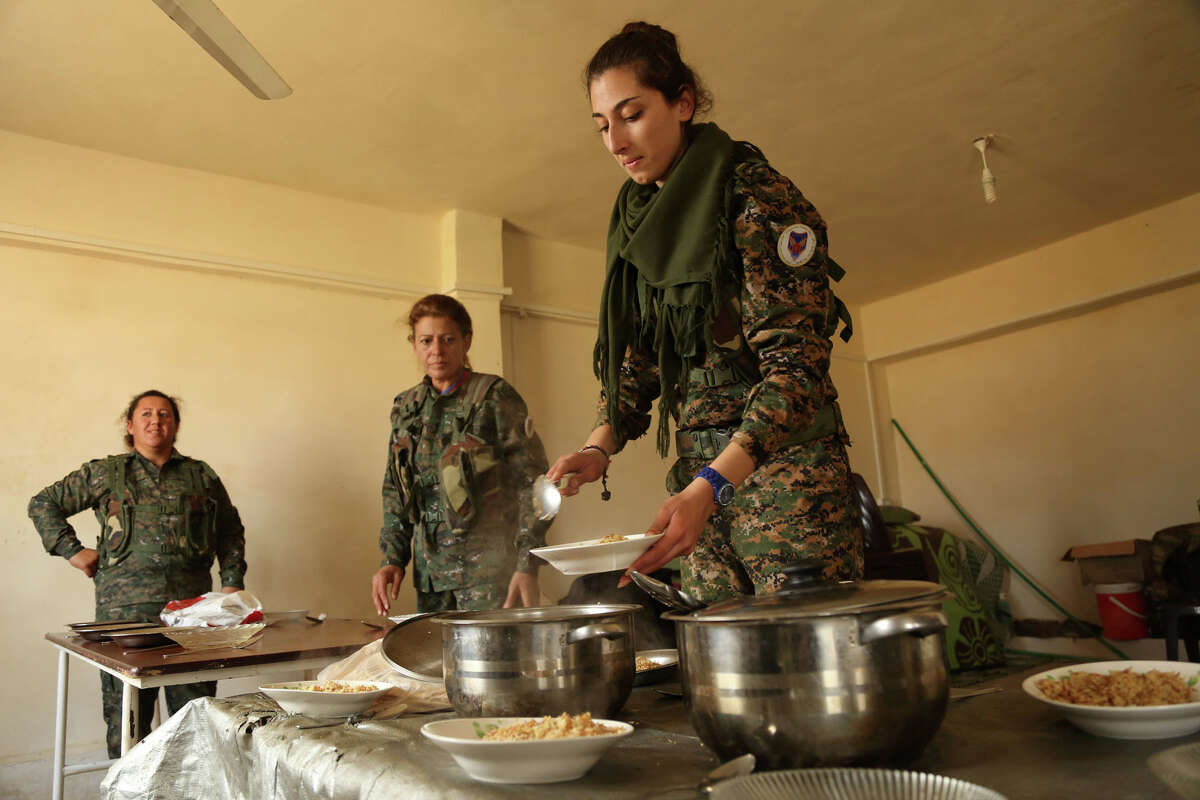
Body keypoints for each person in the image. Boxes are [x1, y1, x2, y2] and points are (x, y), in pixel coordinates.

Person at [546, 22, 863, 605]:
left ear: (683, 102)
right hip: (698, 490)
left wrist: (714, 483)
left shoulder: (756, 198)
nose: (615, 141)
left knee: (807, 671)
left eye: (631, 113)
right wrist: (597, 449)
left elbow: (798, 369)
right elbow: (639, 362)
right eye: (602, 125)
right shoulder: (639, 227)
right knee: (722, 670)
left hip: (790, 490)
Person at [28, 390, 247, 758]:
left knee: (196, 719)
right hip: (124, 618)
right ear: (130, 426)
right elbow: (43, 504)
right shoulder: (106, 474)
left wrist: (231, 583)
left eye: (164, 414)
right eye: (146, 414)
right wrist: (73, 551)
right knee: (127, 720)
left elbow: (229, 529)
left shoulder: (200, 475)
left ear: (175, 425)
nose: (155, 421)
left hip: (191, 617)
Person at [371, 294, 552, 615]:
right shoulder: (406, 407)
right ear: (414, 344)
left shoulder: (494, 397)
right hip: (430, 579)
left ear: (466, 342)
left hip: (490, 575)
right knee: (436, 664)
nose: (436, 351)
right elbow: (395, 491)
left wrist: (528, 563)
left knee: (495, 664)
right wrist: (392, 559)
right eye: (426, 341)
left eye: (447, 339)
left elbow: (536, 484)